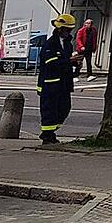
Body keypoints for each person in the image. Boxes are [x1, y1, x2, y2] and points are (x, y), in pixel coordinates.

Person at [36, 14, 76, 144]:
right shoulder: (50, 44)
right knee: (49, 110)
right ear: (59, 29)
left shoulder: (68, 44)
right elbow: (50, 63)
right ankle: (47, 135)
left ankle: (50, 132)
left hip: (64, 84)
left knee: (64, 108)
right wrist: (69, 61)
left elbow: (65, 63)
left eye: (70, 30)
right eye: (66, 29)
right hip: (50, 84)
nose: (68, 32)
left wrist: (75, 64)